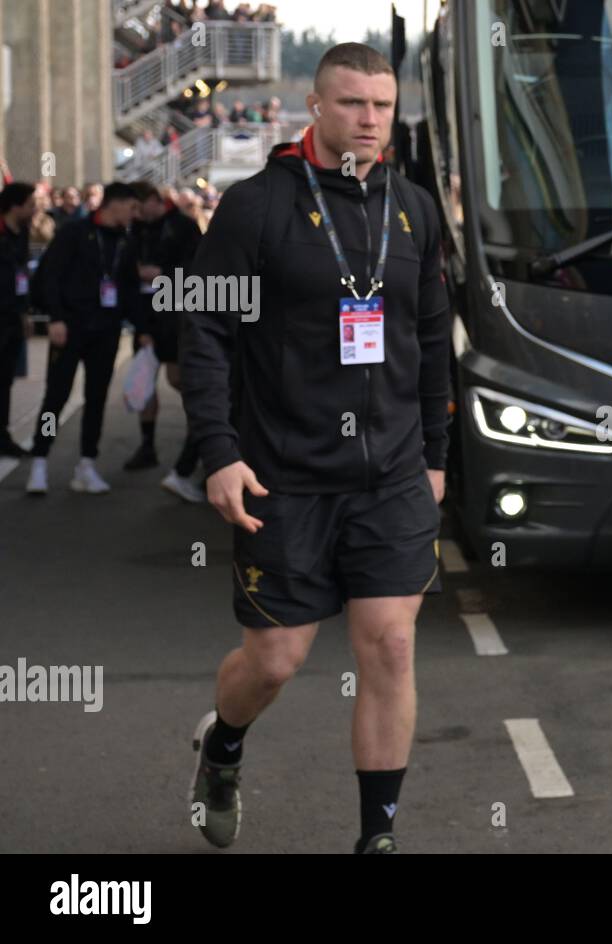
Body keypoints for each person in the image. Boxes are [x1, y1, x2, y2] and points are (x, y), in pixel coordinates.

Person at [180, 42, 451, 854]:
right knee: (275, 659)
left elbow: (431, 336)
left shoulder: (414, 208)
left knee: (392, 646)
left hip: (394, 474)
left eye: (381, 105)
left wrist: (437, 456)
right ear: (316, 107)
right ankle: (223, 744)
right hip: (284, 475)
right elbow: (203, 334)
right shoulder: (255, 207)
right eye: (352, 105)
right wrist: (219, 452)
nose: (370, 120)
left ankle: (377, 838)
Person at [25, 182, 144, 495]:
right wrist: (56, 317)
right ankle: (39, 460)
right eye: (132, 208)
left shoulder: (125, 242)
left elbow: (130, 287)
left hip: (106, 330)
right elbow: (49, 275)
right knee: (56, 396)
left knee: (97, 398)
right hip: (70, 327)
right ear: (115, 204)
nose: (135, 215)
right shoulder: (73, 233)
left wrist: (144, 328)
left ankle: (86, 463)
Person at [125, 182, 206, 502]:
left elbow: (198, 268)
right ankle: (148, 445)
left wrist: (163, 274)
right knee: (144, 381)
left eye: (138, 206)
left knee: (180, 379)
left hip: (174, 315)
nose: (135, 213)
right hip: (144, 317)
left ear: (153, 201)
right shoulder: (135, 230)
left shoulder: (183, 227)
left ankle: (198, 433)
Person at [0, 182, 37, 457]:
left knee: (5, 379)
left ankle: (2, 434)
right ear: (15, 205)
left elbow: (21, 274)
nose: (35, 209)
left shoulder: (22, 233)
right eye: (31, 204)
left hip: (12, 317)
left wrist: (25, 313)